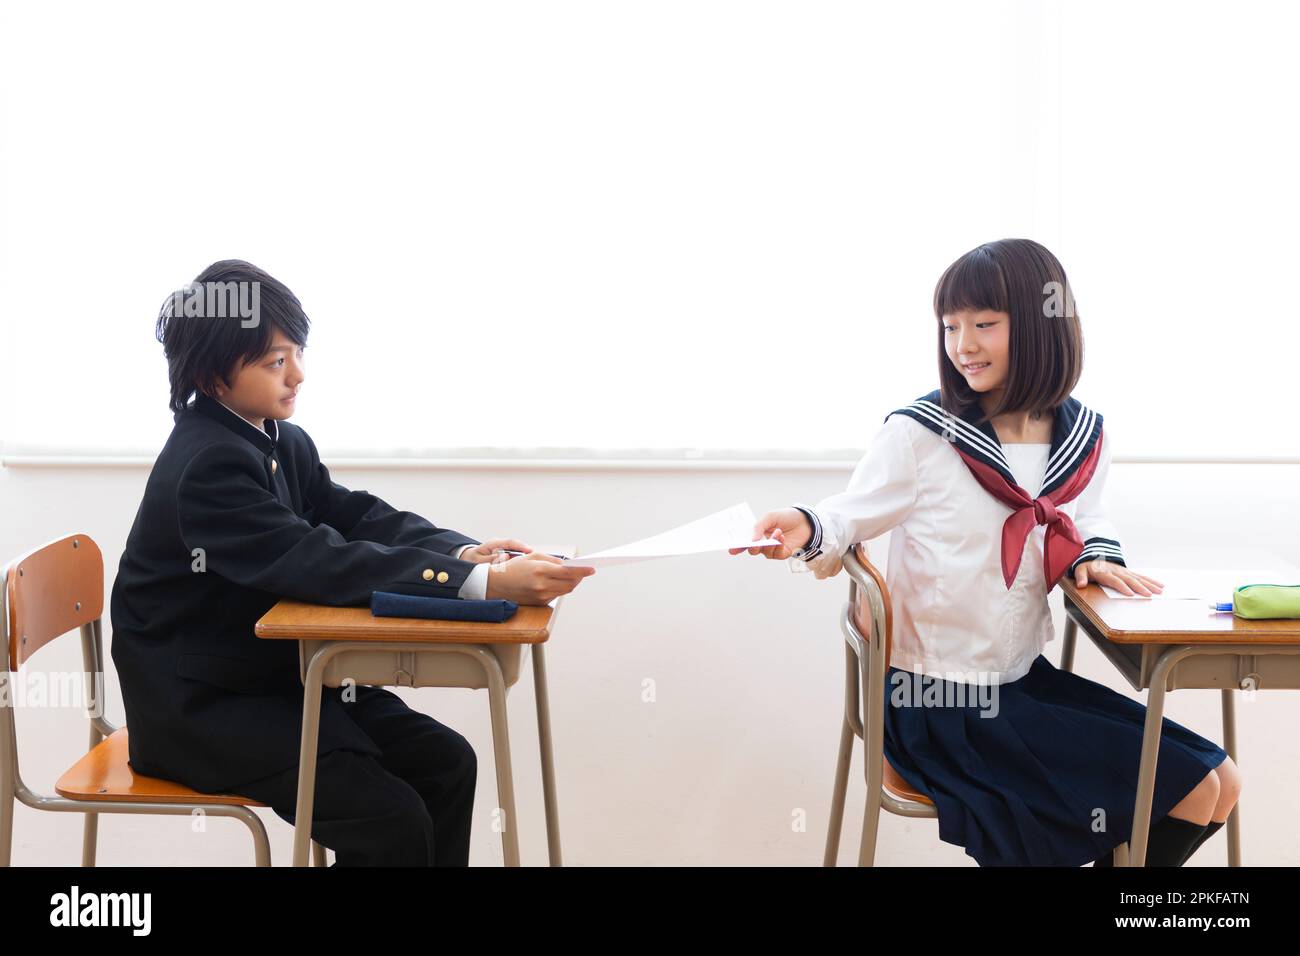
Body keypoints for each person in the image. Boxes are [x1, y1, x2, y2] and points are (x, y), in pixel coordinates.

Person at [733, 239, 1241, 867]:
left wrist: (1092, 555)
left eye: (985, 324)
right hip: (938, 703)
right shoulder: (922, 433)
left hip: (1020, 683)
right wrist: (805, 526)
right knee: (1191, 791)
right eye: (950, 326)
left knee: (1223, 784)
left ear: (1043, 327)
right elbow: (850, 513)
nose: (962, 344)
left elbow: (1090, 515)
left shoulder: (1081, 437)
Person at [110, 259, 594, 866]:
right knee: (390, 821)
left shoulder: (278, 438)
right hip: (202, 707)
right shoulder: (208, 466)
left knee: (446, 765)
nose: (298, 376)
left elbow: (353, 517)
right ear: (212, 376)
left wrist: (462, 553)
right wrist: (488, 584)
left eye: (296, 355)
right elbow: (320, 562)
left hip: (271, 679)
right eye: (275, 363)